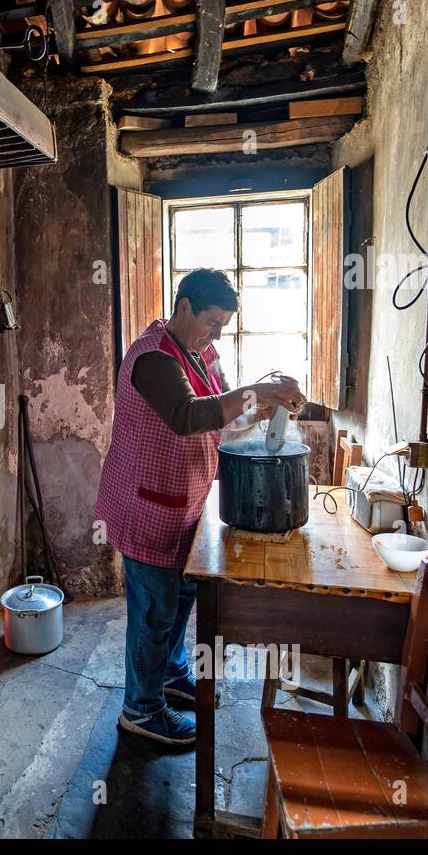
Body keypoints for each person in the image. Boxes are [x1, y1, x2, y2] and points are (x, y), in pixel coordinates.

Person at [94, 268, 305, 746]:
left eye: (225, 325)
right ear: (183, 306)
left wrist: (260, 411)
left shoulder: (201, 353)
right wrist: (255, 392)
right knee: (153, 611)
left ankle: (167, 675)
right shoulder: (152, 358)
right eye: (213, 322)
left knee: (181, 597)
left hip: (186, 502)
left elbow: (221, 424)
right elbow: (189, 416)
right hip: (146, 504)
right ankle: (141, 710)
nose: (218, 333)